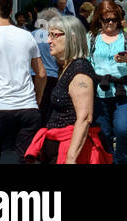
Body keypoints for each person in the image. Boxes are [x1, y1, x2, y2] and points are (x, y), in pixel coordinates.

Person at [24, 14, 112, 164]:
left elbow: (84, 118)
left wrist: (71, 158)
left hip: (72, 152)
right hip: (59, 148)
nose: (48, 40)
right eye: (49, 35)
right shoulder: (67, 67)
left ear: (72, 38)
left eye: (54, 35)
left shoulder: (80, 71)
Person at [0, 0, 46, 164]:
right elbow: (42, 73)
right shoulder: (27, 36)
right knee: (26, 158)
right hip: (27, 107)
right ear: (11, 11)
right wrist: (36, 99)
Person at [89, 1, 127, 164]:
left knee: (122, 129)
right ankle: (107, 159)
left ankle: (121, 161)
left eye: (113, 19)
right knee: (103, 132)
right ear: (99, 20)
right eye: (106, 20)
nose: (110, 23)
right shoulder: (91, 37)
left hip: (124, 91)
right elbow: (85, 62)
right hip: (100, 91)